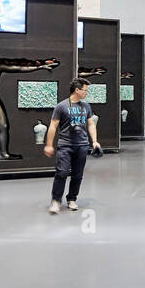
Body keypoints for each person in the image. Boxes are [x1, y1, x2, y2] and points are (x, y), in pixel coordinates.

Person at [44, 78, 101, 213]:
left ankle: (72, 199)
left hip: (82, 145)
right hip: (65, 145)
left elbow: (91, 124)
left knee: (77, 175)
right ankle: (56, 201)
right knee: (62, 173)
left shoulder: (86, 106)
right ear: (77, 90)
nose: (86, 93)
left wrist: (94, 141)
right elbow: (53, 126)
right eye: (85, 90)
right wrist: (49, 145)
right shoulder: (62, 106)